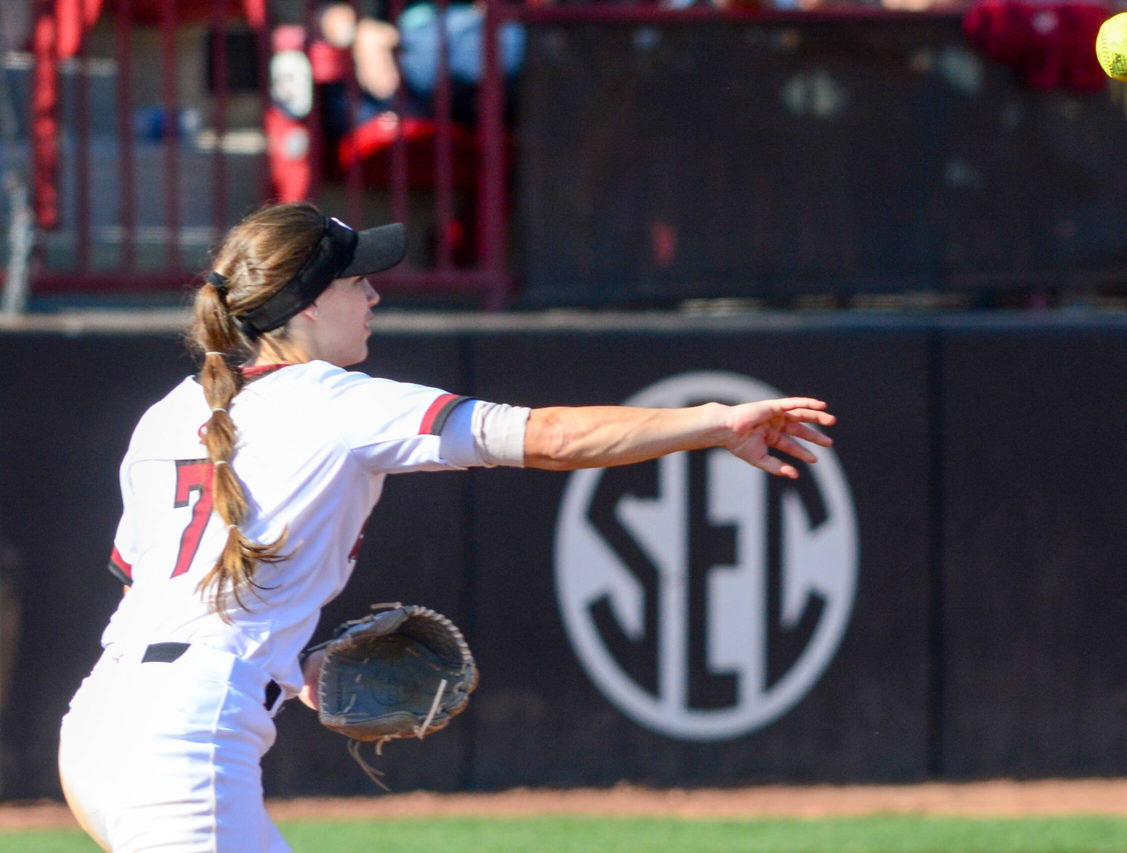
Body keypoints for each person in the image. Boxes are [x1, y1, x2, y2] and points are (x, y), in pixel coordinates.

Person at [57, 201, 835, 853]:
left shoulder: (169, 413)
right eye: (359, 281)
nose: (374, 297)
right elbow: (550, 437)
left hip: (99, 724)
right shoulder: (336, 398)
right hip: (186, 741)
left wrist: (292, 665)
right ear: (308, 302)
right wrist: (709, 422)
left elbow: (177, 602)